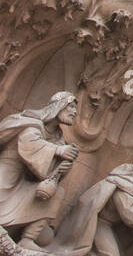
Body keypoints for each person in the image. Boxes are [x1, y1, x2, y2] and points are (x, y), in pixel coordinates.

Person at [0, 92, 78, 246]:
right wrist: (58, 151)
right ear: (58, 106)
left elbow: (47, 175)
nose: (74, 112)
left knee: (58, 194)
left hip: (23, 184)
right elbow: (29, 144)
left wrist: (62, 166)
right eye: (71, 106)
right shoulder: (32, 123)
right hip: (7, 176)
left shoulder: (58, 137)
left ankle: (27, 239)